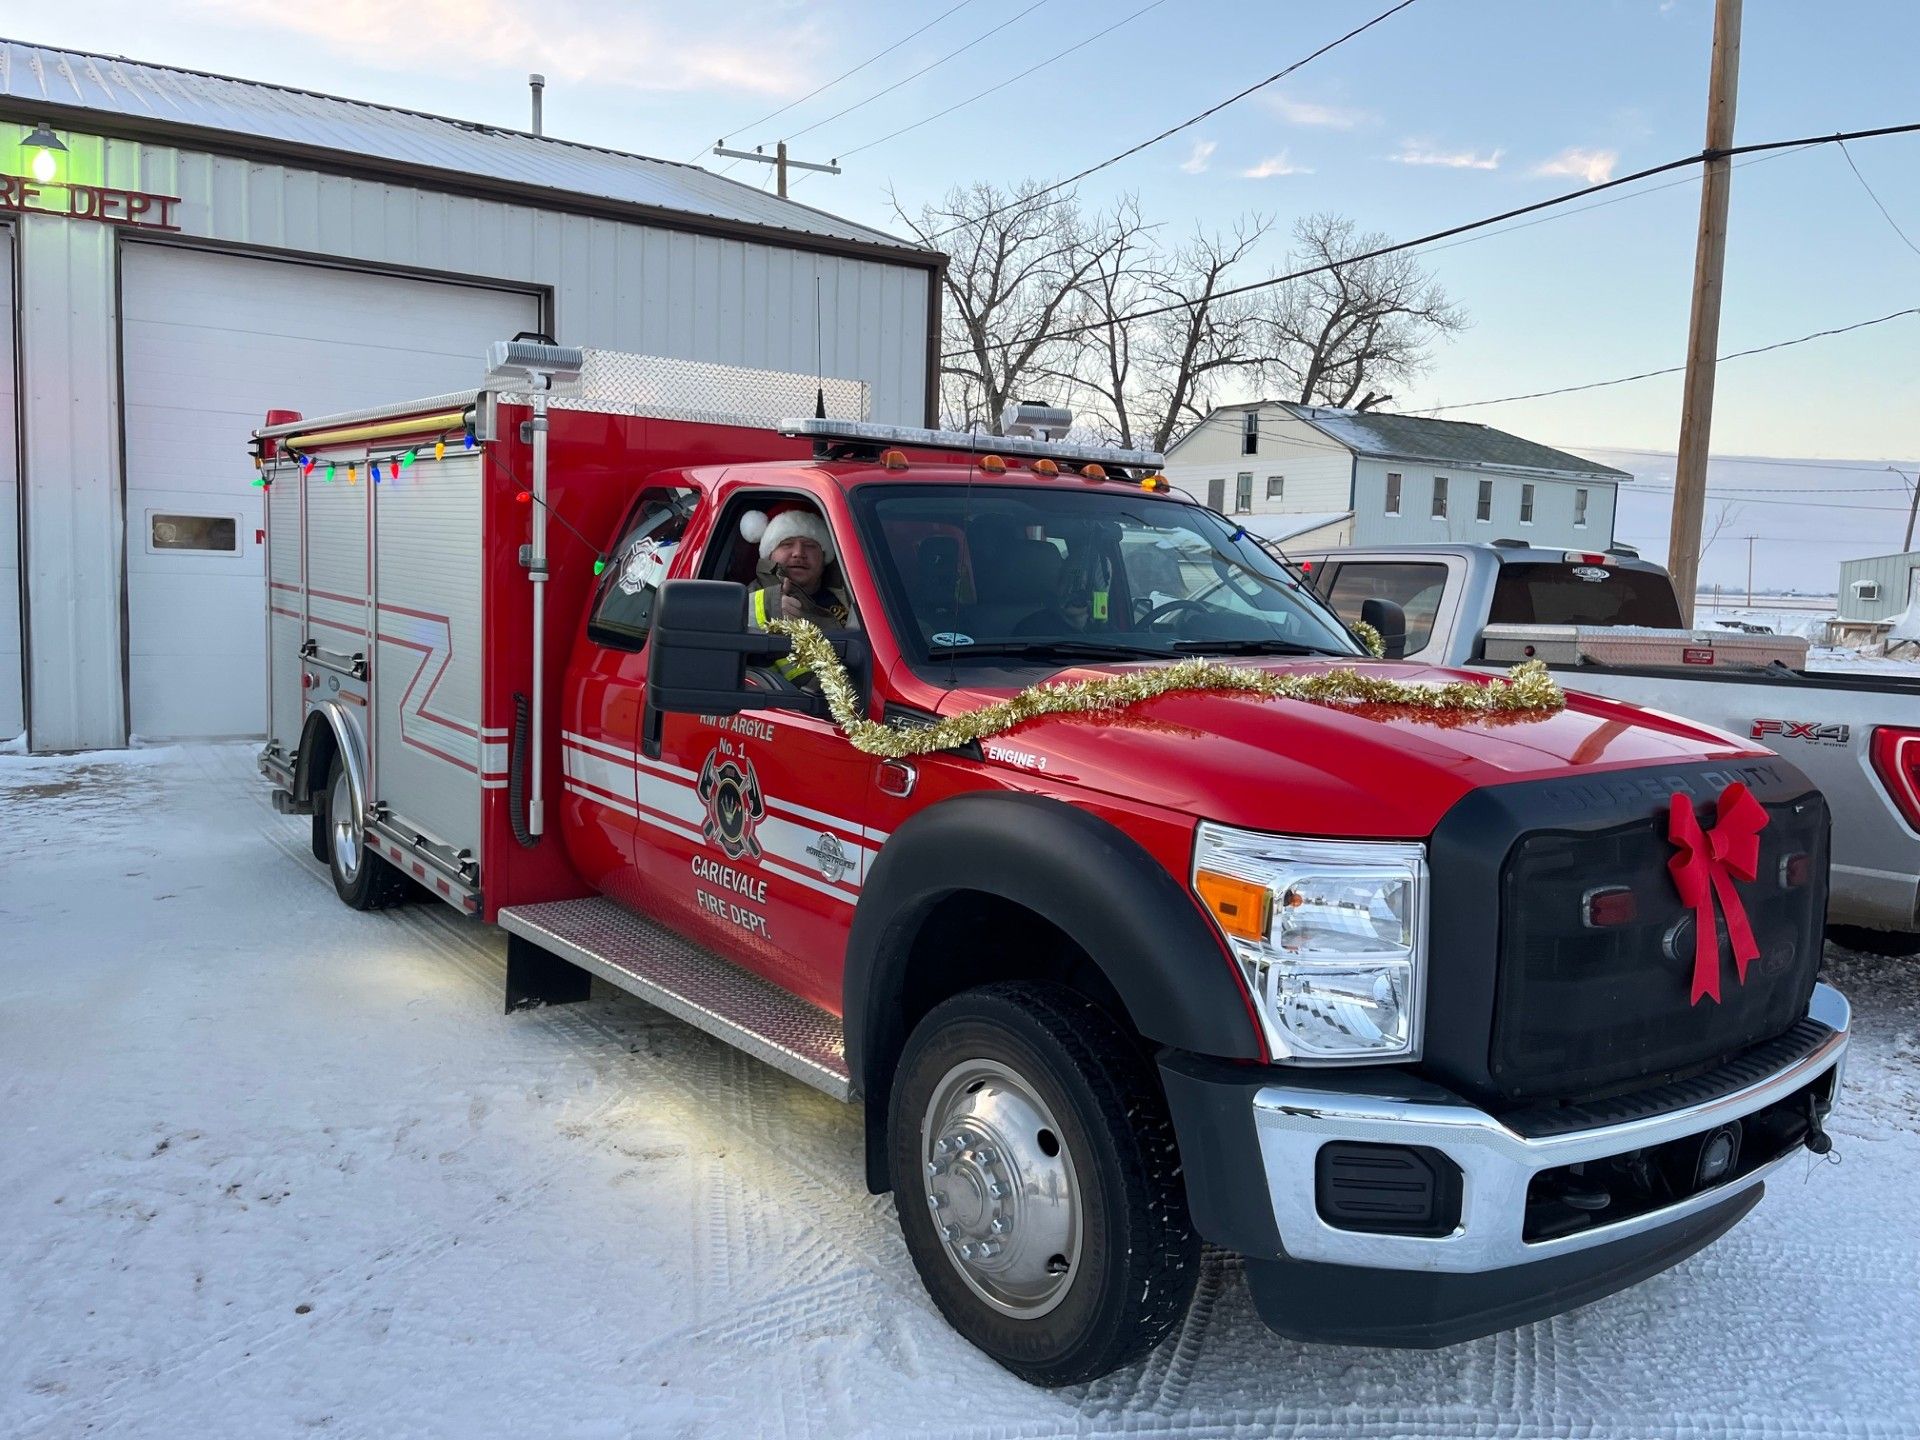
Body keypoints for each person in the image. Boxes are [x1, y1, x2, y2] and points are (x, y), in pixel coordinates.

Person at [744, 507, 858, 687]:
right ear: (769, 554)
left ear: (824, 557)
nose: (799, 553)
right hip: (785, 707)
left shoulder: (852, 595)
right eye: (786, 544)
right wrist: (769, 609)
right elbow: (718, 626)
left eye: (810, 545)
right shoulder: (748, 596)